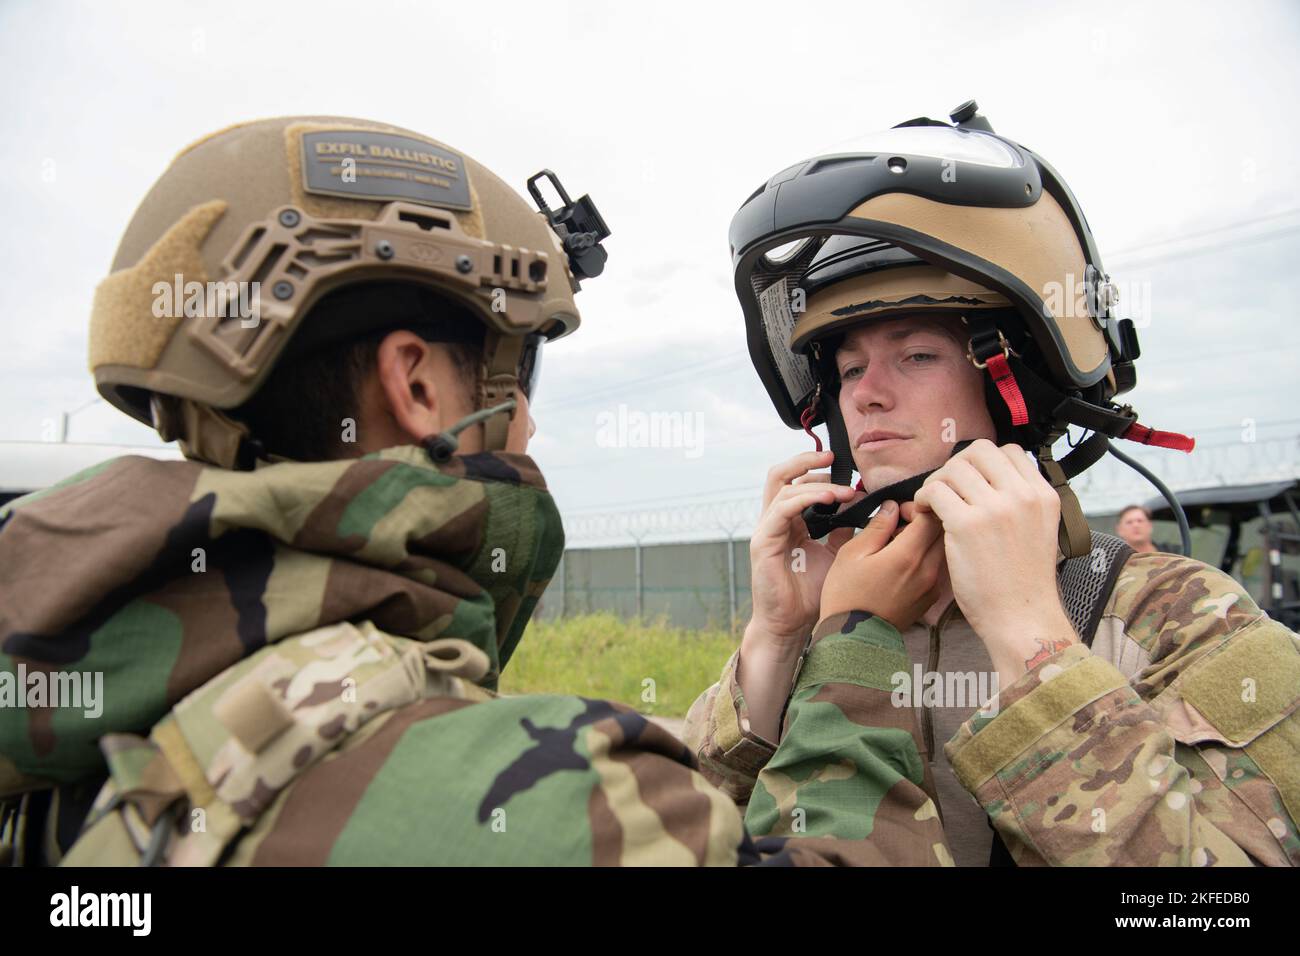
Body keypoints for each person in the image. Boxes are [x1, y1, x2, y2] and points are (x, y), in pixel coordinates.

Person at [0, 115, 948, 866]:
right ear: (416, 386)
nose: (528, 427)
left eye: (915, 354)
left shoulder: (86, 676)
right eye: (518, 377)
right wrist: (856, 647)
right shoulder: (497, 788)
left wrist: (773, 642)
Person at [686, 103, 1300, 866]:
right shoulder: (832, 624)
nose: (866, 394)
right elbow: (678, 842)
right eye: (848, 369)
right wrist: (775, 642)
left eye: (916, 356)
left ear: (1016, 387)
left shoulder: (1175, 614)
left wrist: (1033, 639)